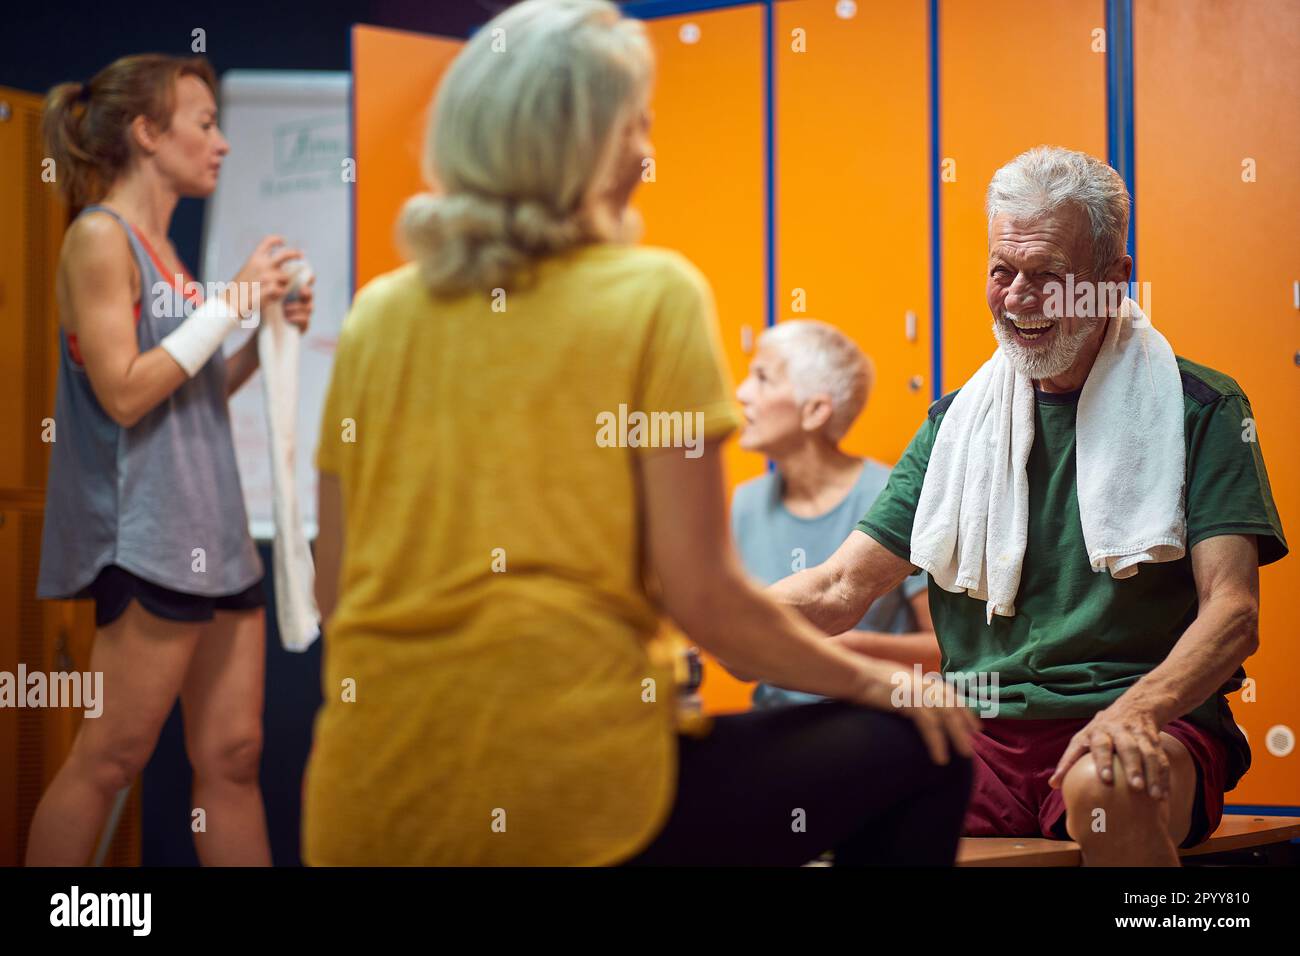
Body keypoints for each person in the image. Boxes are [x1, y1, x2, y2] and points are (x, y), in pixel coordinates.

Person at [304, 0, 974, 868]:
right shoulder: (651, 294)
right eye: (636, 126)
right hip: (577, 805)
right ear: (580, 142)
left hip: (367, 805)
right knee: (929, 741)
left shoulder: (376, 316)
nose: (647, 152)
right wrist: (879, 683)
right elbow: (711, 607)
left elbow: (332, 591)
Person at [769, 146, 1287, 866]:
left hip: (1141, 720)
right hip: (974, 724)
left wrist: (1134, 711)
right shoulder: (956, 424)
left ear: (1111, 283)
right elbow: (838, 587)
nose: (1016, 298)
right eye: (1000, 271)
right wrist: (687, 613)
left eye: (1047, 276)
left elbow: (1233, 613)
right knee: (802, 778)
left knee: (1107, 787)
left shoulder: (1202, 407)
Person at [27, 54, 313, 866]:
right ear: (148, 133)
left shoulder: (170, 257)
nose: (220, 143)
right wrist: (231, 302)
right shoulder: (98, 238)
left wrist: (261, 333)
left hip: (216, 537)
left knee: (233, 758)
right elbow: (122, 393)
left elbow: (188, 390)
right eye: (205, 123)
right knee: (112, 758)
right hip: (150, 541)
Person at [732, 320, 937, 709]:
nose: (741, 394)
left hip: (871, 718)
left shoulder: (891, 496)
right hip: (775, 720)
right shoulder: (745, 504)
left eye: (762, 378)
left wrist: (841, 648)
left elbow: (943, 651)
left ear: (815, 410)